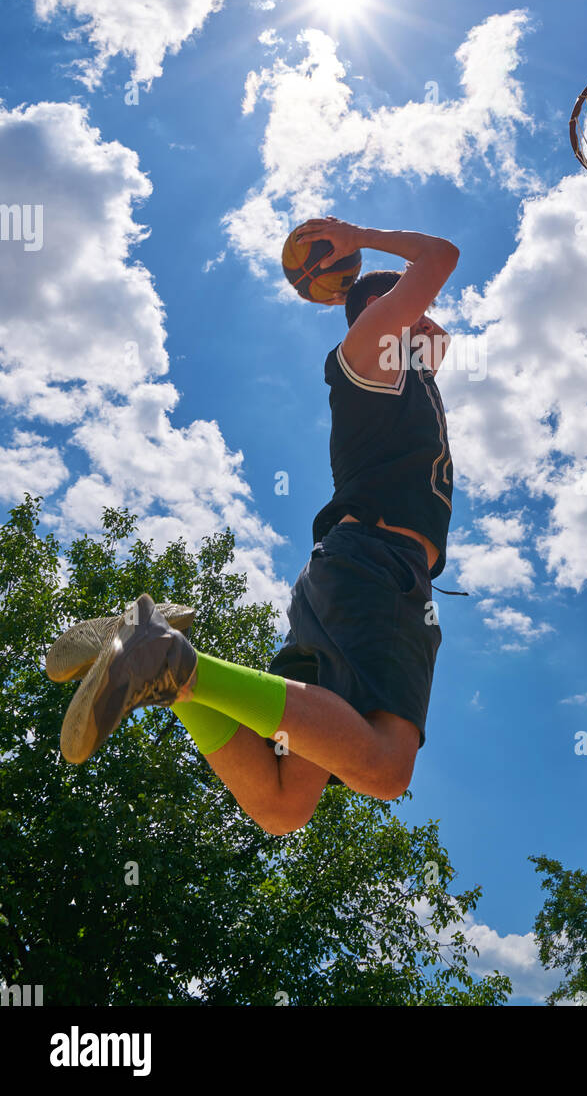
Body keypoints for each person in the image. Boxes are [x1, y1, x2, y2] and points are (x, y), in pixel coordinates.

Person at [50, 219, 460, 837]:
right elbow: (439, 254)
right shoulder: (369, 342)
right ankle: (165, 658)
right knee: (384, 769)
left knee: (280, 806)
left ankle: (164, 662)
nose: (433, 325)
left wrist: (421, 336)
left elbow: (435, 335)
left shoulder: (401, 377)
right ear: (381, 306)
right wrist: (355, 236)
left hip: (348, 573)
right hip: (376, 569)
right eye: (419, 312)